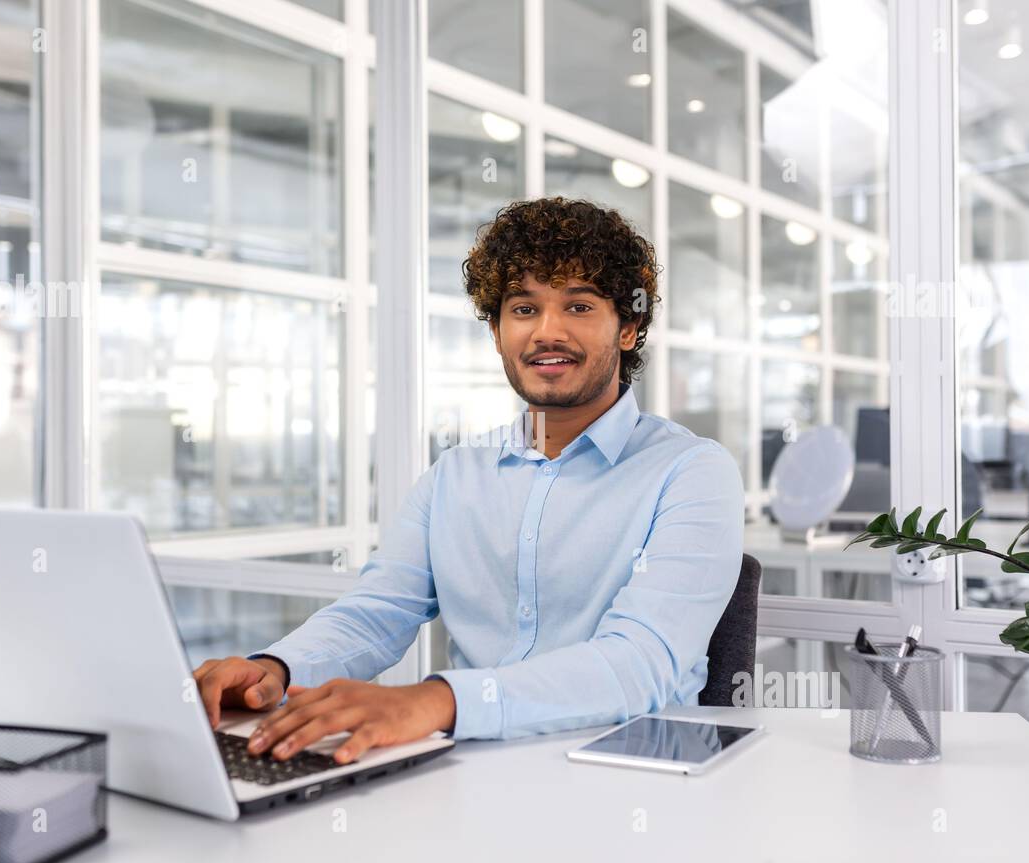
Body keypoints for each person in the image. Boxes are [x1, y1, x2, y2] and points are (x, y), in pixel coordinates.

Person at [192, 196, 744, 766]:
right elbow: (376, 611)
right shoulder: (455, 475)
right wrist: (274, 671)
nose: (546, 333)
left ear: (628, 328)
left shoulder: (692, 472)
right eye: (524, 309)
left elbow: (641, 664)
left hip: (633, 780)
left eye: (578, 306)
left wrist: (438, 701)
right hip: (471, 772)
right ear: (498, 331)